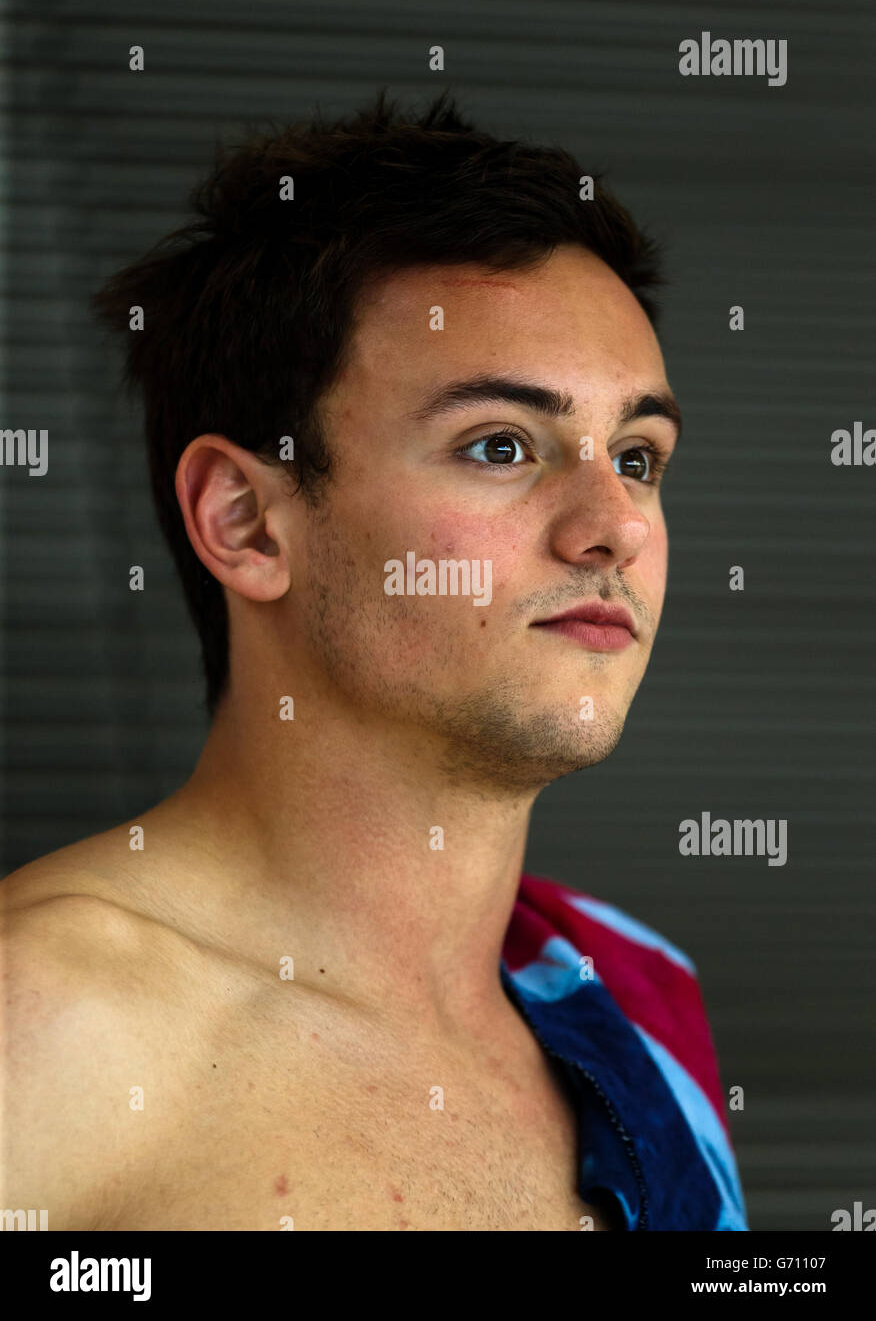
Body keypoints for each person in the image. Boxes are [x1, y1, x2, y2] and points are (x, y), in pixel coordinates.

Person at [0, 90, 747, 1231]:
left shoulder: (634, 997)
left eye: (639, 457)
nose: (617, 526)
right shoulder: (48, 1027)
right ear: (246, 521)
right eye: (501, 445)